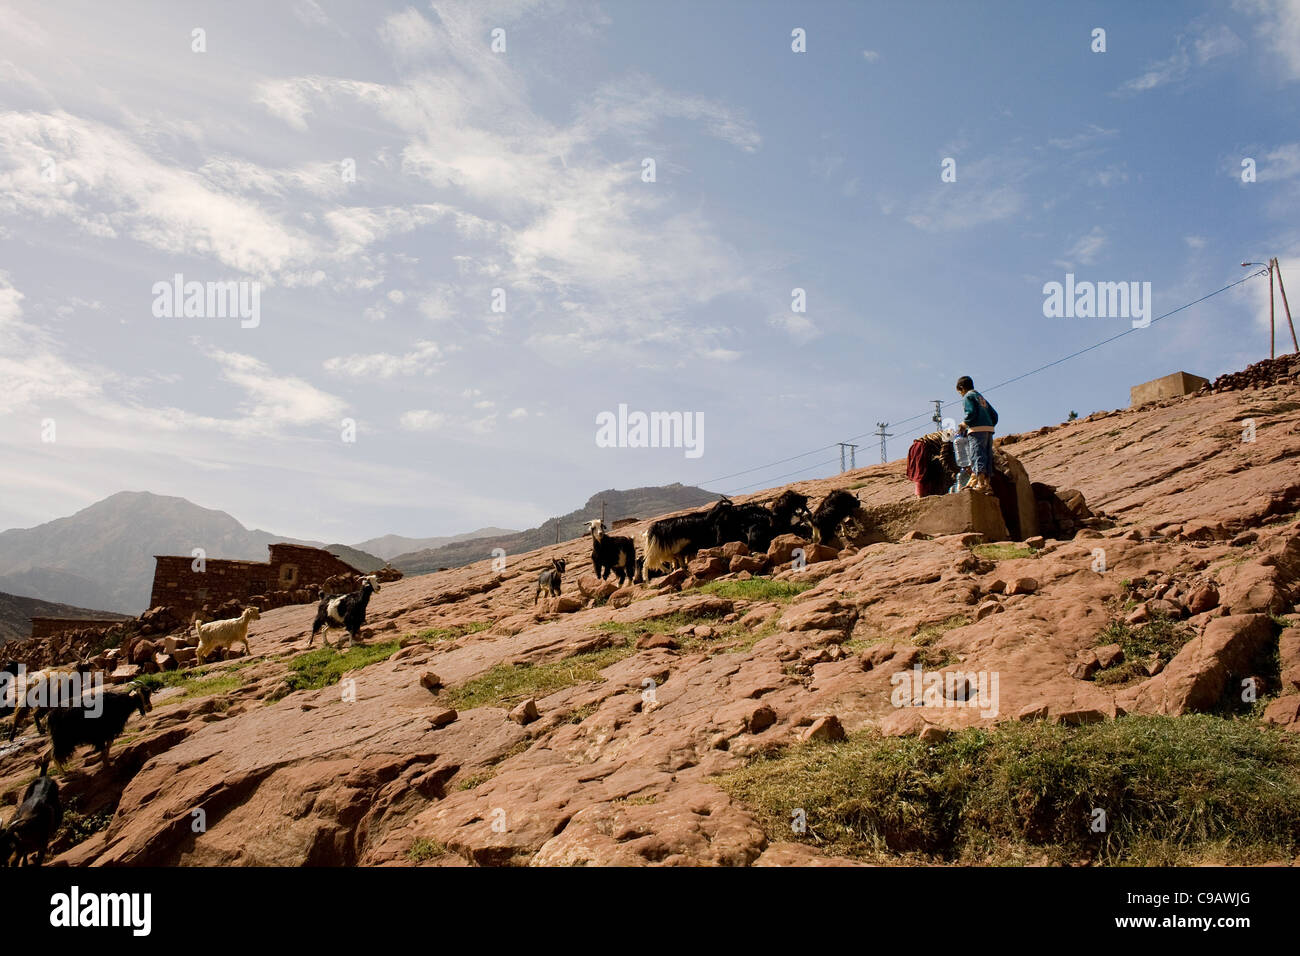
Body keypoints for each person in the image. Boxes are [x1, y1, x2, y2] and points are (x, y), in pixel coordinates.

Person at [955, 375, 998, 494]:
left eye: (959, 392)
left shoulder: (968, 397)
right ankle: (988, 485)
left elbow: (971, 412)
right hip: (989, 429)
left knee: (977, 454)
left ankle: (981, 484)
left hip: (977, 430)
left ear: (962, 388)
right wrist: (989, 424)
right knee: (988, 456)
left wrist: (964, 423)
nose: (961, 394)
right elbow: (994, 414)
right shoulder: (980, 396)